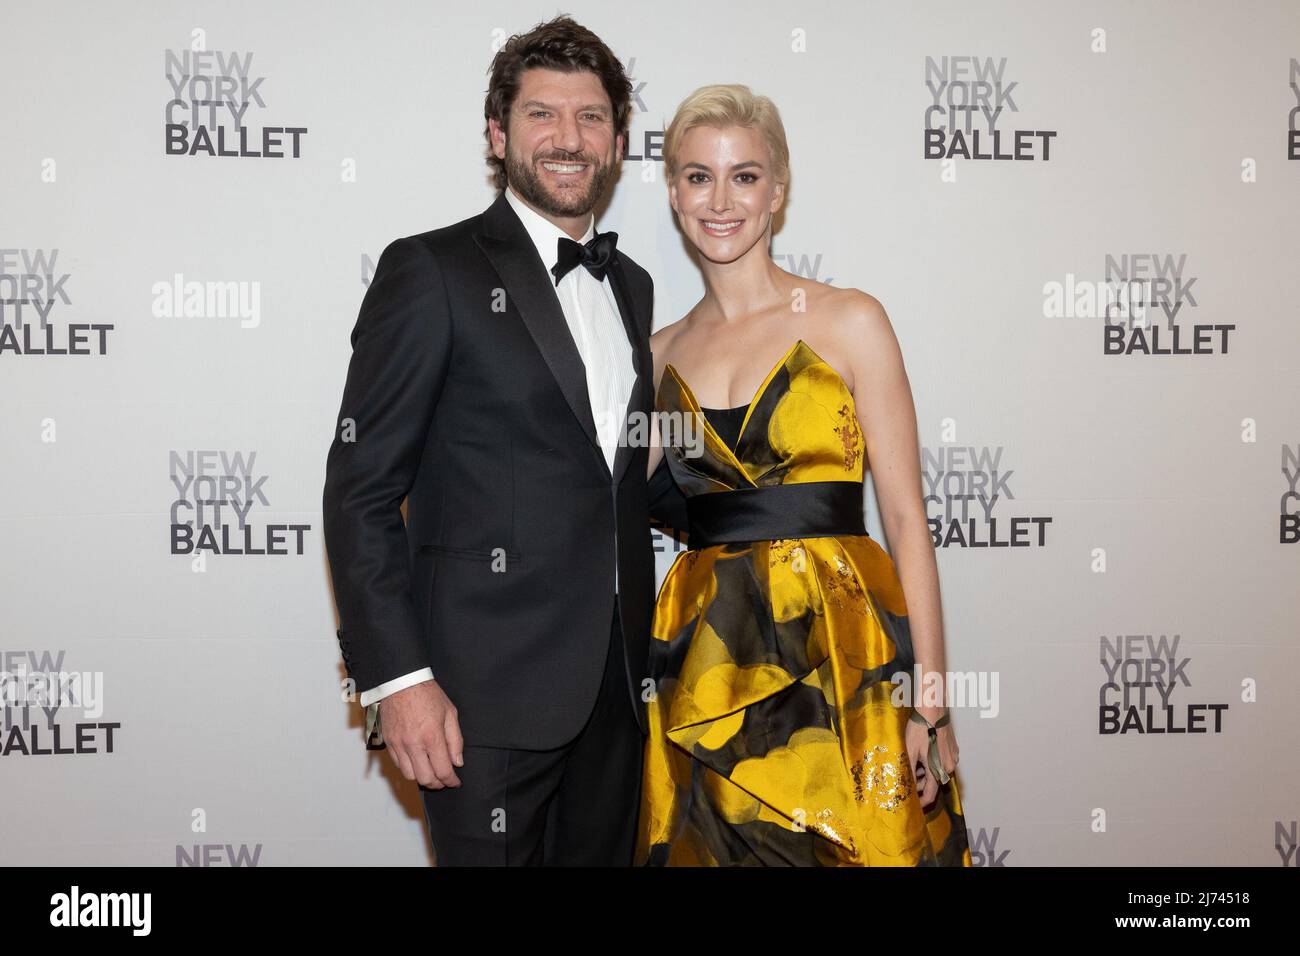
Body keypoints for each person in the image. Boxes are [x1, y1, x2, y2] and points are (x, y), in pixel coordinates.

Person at [322, 16, 658, 866]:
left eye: (590, 118)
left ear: (617, 143)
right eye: (542, 115)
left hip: (617, 696)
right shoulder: (431, 270)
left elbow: (613, 481)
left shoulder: (634, 288)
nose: (568, 139)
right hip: (480, 705)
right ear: (497, 134)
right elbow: (360, 492)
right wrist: (399, 683)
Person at [636, 84, 973, 866]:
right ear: (674, 191)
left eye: (744, 176)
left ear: (778, 191)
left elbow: (907, 520)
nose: (721, 200)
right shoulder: (654, 356)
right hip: (706, 665)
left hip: (843, 645)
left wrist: (932, 705)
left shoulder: (849, 319)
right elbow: (587, 499)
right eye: (697, 176)